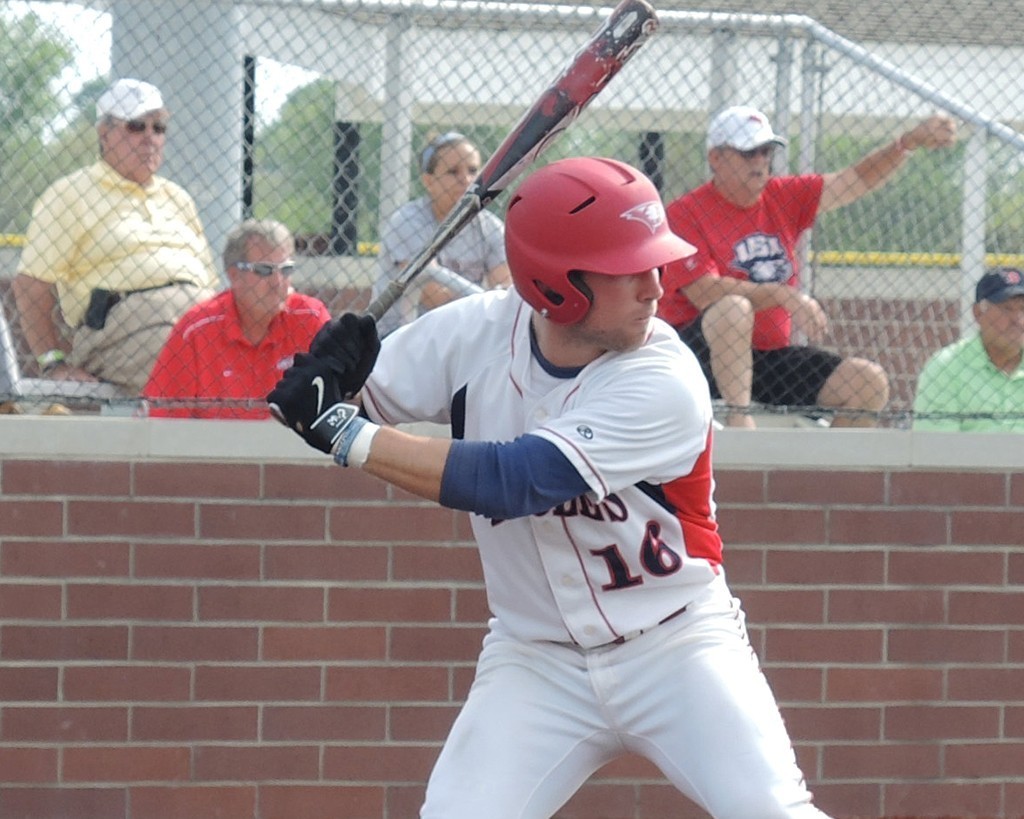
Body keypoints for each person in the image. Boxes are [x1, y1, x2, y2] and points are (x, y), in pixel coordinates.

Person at [269, 157, 831, 818]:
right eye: (629, 269)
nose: (656, 286)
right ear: (558, 285)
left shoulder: (666, 377)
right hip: (536, 660)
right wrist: (323, 374)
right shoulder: (475, 332)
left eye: (655, 263)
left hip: (677, 644)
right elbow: (313, 403)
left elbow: (515, 481)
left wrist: (343, 431)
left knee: (771, 812)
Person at [658, 104, 958, 428]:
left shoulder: (782, 195)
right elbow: (705, 293)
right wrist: (783, 296)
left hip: (768, 360)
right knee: (733, 308)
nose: (760, 161)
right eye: (748, 153)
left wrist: (906, 143)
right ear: (716, 158)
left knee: (867, 383)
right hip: (697, 361)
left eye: (765, 151)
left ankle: (826, 476)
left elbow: (853, 181)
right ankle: (740, 420)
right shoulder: (684, 213)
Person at [12, 78, 218, 395]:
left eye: (159, 128)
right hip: (128, 333)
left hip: (200, 324)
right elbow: (30, 286)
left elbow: (210, 283)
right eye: (136, 126)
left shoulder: (178, 198)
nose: (150, 138)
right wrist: (54, 362)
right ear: (104, 134)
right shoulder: (71, 194)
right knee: (203, 373)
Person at [143, 219, 330, 420]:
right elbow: (160, 420)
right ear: (234, 275)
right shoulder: (196, 331)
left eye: (285, 270)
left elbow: (340, 406)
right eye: (264, 270)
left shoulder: (311, 318)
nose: (277, 282)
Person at [372, 131, 511, 336]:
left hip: (460, 334)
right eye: (453, 172)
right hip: (399, 338)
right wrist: (485, 302)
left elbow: (507, 293)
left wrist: (493, 302)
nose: (466, 179)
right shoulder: (408, 221)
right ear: (429, 181)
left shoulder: (490, 227)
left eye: (473, 170)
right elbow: (434, 297)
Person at [913, 267, 1024, 432]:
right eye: (1006, 309)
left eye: (1023, 309)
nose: (1018, 319)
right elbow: (935, 449)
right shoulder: (946, 367)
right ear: (978, 313)